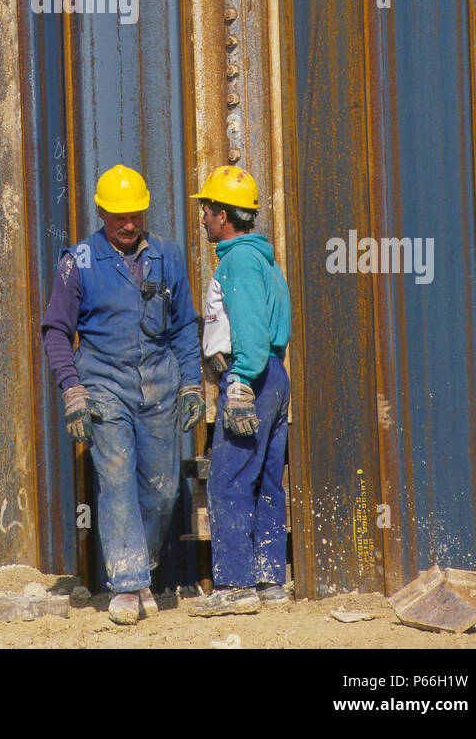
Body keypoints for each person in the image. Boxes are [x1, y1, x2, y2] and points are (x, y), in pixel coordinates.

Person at [42, 164, 204, 625]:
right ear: (100, 213)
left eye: (136, 215)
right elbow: (56, 331)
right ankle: (128, 584)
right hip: (104, 385)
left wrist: (192, 383)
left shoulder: (167, 255)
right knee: (115, 481)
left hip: (159, 386)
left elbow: (184, 326)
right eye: (119, 217)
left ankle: (142, 566)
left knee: (164, 490)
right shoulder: (79, 261)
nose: (129, 225)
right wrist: (73, 392)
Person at [188, 166, 291, 616]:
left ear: (224, 214)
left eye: (207, 209)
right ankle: (270, 579)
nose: (204, 217)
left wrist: (242, 382)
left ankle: (234, 585)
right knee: (267, 479)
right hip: (273, 373)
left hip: (251, 376)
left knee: (229, 479)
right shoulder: (262, 257)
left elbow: (248, 327)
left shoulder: (239, 261)